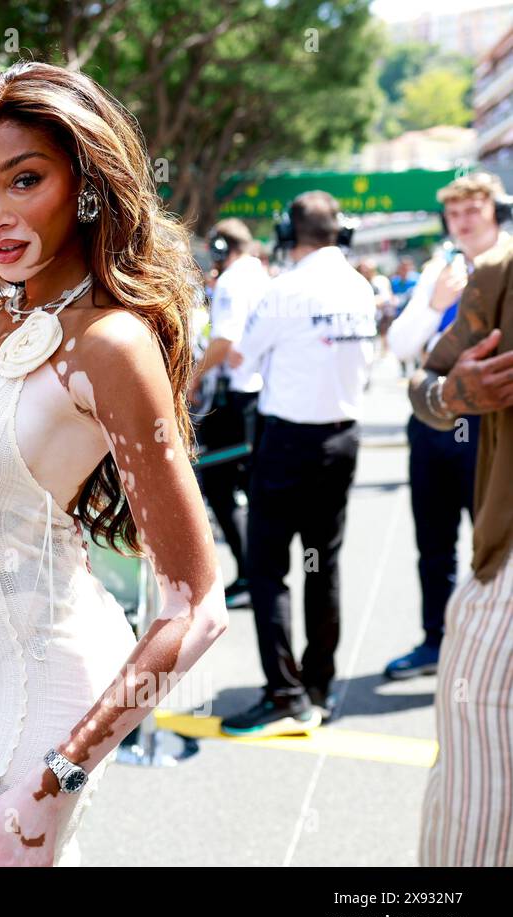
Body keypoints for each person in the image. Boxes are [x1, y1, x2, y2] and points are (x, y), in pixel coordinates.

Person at [0, 60, 227, 867]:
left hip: (49, 689)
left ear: (88, 186)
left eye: (25, 180)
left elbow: (196, 606)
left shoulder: (108, 342)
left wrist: (61, 775)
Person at [220, 191, 378, 735]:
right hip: (342, 440)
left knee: (267, 571)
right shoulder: (361, 286)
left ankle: (285, 694)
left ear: (289, 235)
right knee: (321, 563)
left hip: (287, 443)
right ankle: (318, 686)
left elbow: (241, 356)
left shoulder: (284, 289)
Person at [408, 220, 513, 867]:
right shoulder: (501, 274)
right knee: (475, 824)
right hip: (506, 578)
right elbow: (424, 386)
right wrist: (452, 394)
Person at [384, 174, 509, 681]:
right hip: (435, 422)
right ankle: (436, 640)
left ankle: (497, 649)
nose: (464, 221)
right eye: (455, 213)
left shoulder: (508, 264)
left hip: (492, 427)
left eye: (472, 210)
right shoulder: (441, 270)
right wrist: (435, 302)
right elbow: (399, 346)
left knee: (494, 538)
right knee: (433, 542)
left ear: (494, 210)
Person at [190, 219, 270, 610]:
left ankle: (251, 574)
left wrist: (190, 375)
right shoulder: (260, 275)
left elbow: (223, 343)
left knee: (220, 487)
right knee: (247, 488)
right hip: (258, 397)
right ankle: (256, 573)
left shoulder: (234, 283)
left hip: (235, 398)